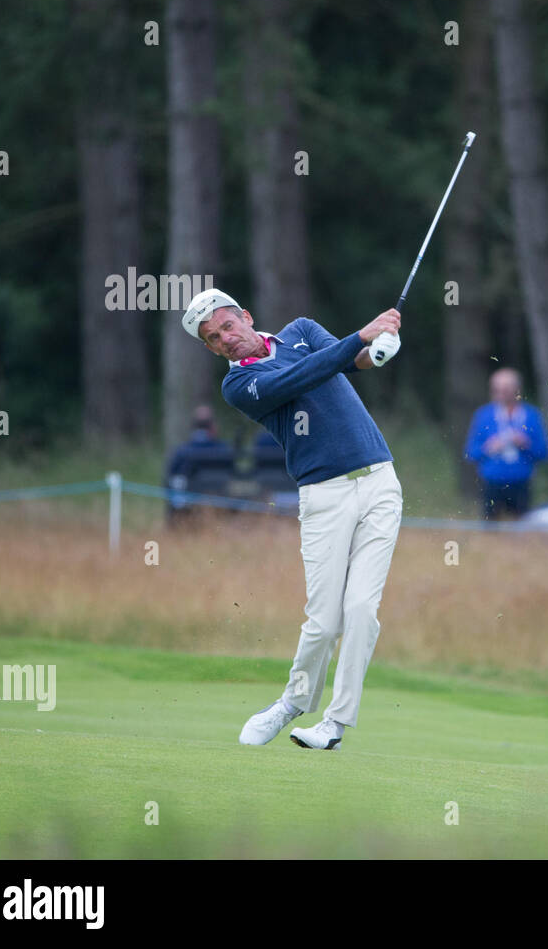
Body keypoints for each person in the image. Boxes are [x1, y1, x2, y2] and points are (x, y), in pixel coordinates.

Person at [181, 286, 404, 752]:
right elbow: (303, 376)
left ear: (245, 316)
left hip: (381, 482)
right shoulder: (239, 386)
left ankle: (335, 724)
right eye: (214, 338)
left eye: (227, 325)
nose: (226, 339)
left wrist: (378, 349)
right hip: (325, 494)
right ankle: (291, 703)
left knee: (362, 610)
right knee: (324, 622)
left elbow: (346, 362)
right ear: (210, 349)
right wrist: (361, 335)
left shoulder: (301, 330)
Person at [463, 368, 548, 519]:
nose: (500, 394)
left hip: (522, 482)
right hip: (492, 482)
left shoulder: (531, 415)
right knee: (490, 529)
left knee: (522, 529)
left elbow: (544, 453)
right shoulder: (484, 415)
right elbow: (471, 453)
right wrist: (489, 448)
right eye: (496, 389)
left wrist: (525, 444)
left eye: (505, 389)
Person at [164, 405, 235, 525]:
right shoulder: (224, 450)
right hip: (219, 503)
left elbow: (170, 478)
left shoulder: (181, 452)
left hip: (187, 506)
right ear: (213, 427)